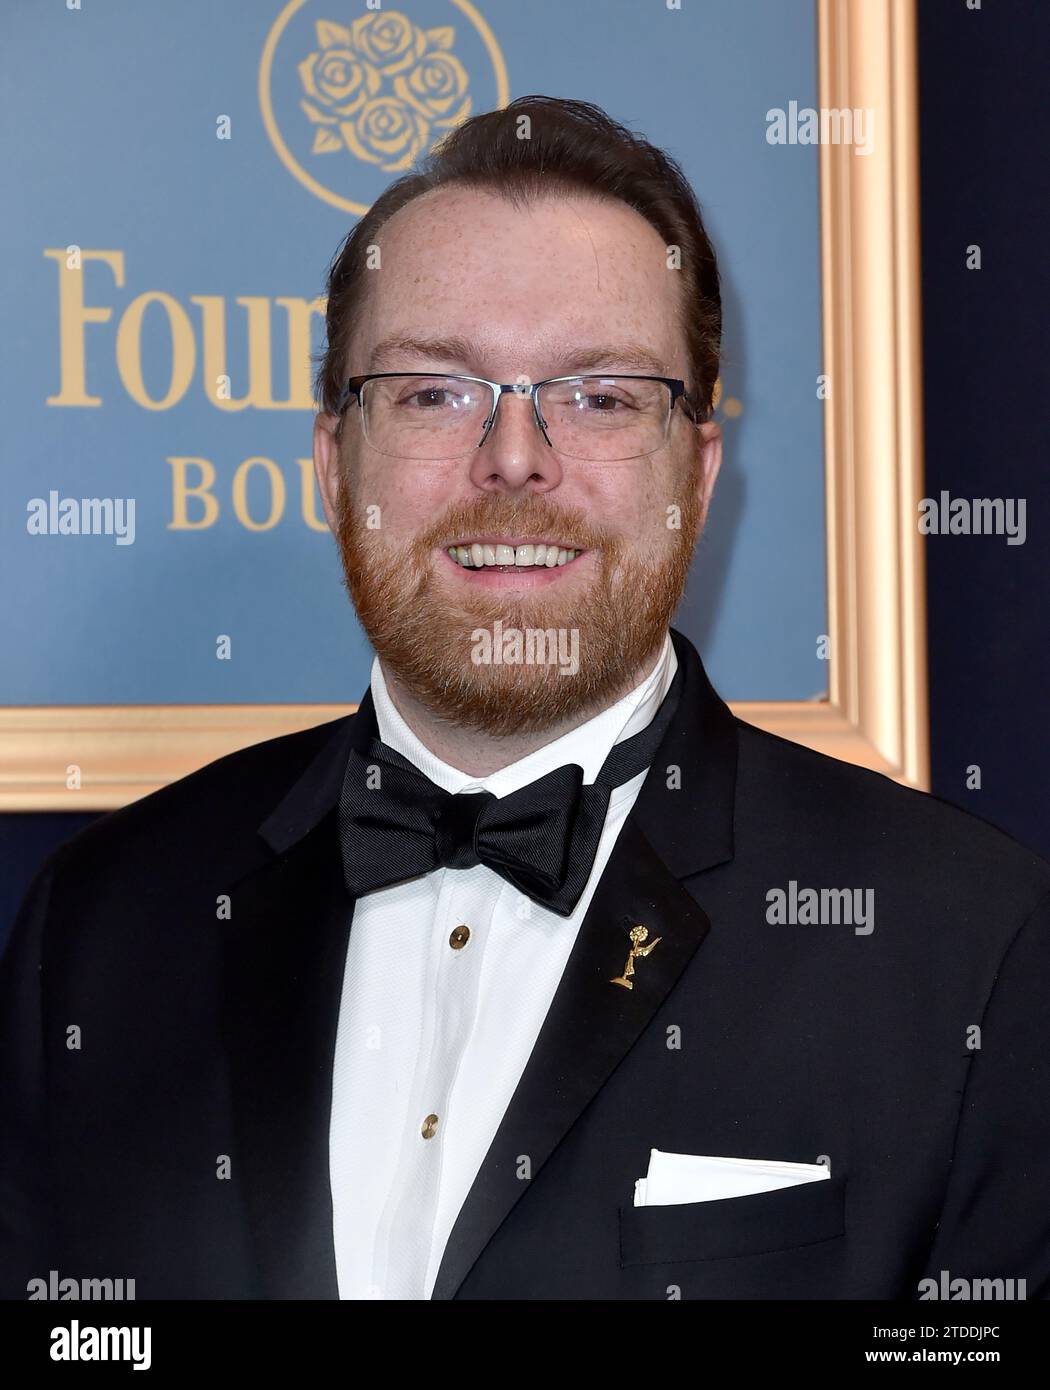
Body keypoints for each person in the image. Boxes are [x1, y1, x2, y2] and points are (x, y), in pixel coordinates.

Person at [2, 96, 1048, 1302]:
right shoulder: (96, 934)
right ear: (332, 468)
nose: (513, 458)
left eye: (600, 394)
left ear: (697, 477)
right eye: (435, 392)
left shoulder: (975, 947)